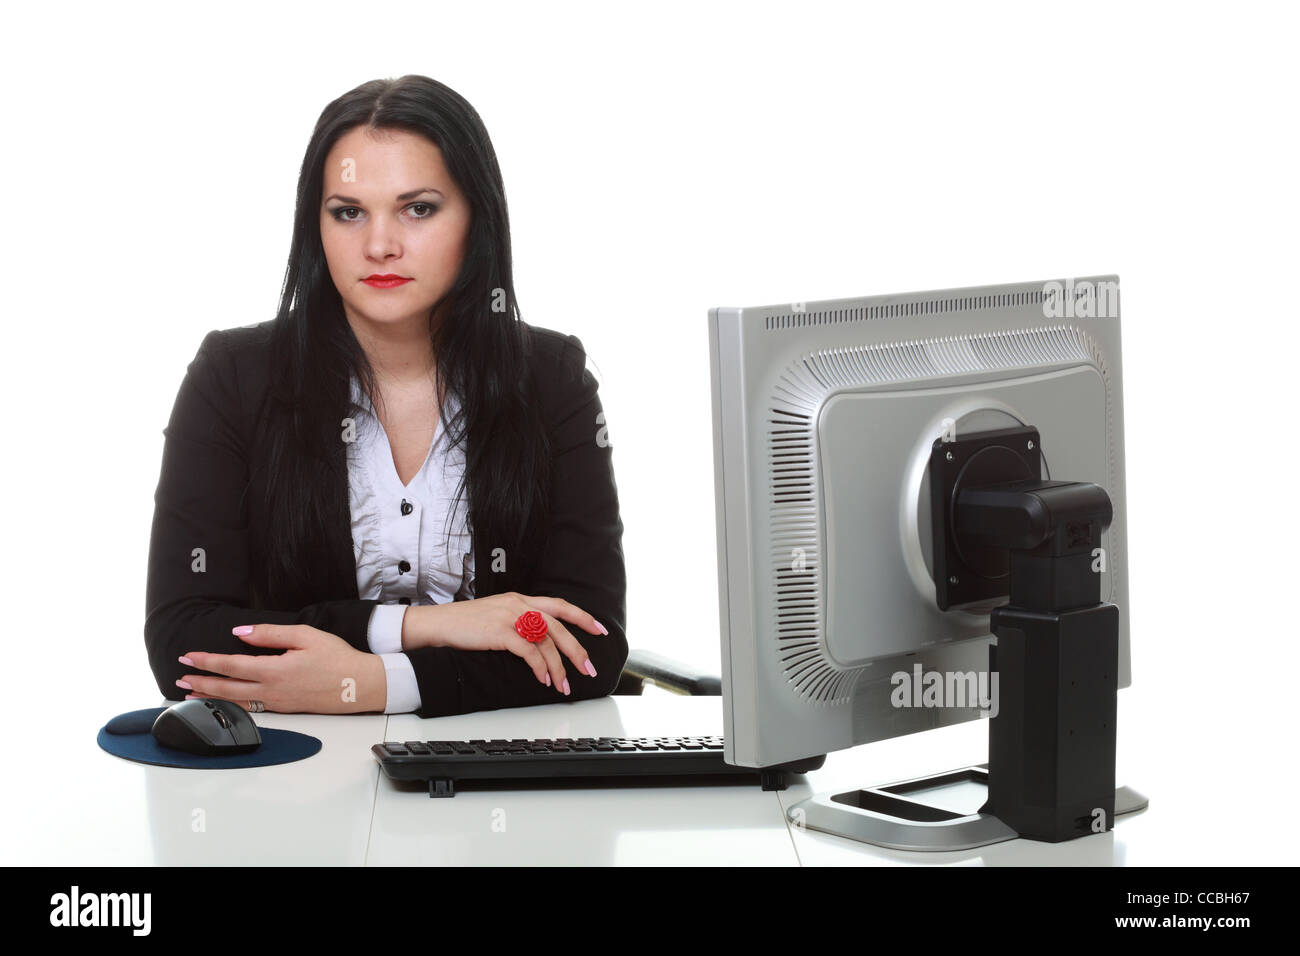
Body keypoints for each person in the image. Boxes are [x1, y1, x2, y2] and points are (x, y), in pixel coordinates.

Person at [143, 75, 628, 717]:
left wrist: (376, 684)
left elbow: (588, 646)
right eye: (348, 212)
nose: (379, 246)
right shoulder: (233, 376)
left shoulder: (552, 378)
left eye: (418, 208)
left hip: (495, 776)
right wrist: (425, 627)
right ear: (314, 225)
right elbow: (184, 640)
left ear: (476, 218)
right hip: (292, 779)